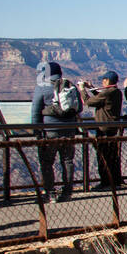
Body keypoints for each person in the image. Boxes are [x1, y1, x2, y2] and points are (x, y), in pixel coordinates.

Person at [29, 61, 81, 203]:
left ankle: (50, 194)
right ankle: (67, 193)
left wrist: (36, 131)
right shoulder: (71, 86)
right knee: (68, 161)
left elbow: (35, 111)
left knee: (46, 162)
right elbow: (79, 107)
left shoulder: (42, 87)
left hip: (50, 131)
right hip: (69, 130)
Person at [79, 71, 123, 190]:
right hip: (113, 128)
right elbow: (101, 97)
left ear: (107, 81)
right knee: (113, 156)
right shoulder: (117, 91)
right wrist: (92, 88)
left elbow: (88, 102)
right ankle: (116, 181)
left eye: (104, 79)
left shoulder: (108, 92)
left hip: (104, 129)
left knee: (103, 157)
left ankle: (106, 183)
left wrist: (82, 89)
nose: (102, 81)